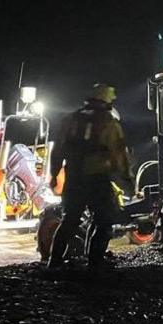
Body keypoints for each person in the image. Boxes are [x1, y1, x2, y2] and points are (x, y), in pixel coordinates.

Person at [47, 83, 134, 269]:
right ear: (106, 100)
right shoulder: (109, 123)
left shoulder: (70, 120)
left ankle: (54, 262)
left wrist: (54, 175)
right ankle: (95, 263)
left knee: (69, 220)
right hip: (97, 179)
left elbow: (58, 151)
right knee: (103, 222)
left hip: (74, 178)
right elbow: (119, 153)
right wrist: (127, 178)